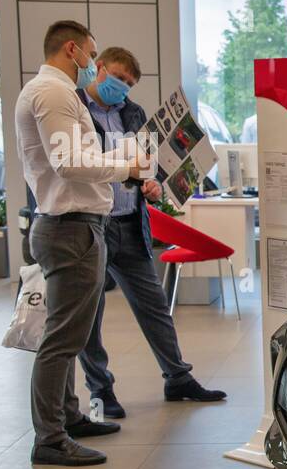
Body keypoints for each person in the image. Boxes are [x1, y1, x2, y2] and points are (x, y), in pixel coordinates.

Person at [15, 21, 150, 466]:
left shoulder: (58, 93)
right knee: (61, 340)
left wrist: (126, 158)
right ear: (72, 49)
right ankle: (50, 438)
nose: (93, 64)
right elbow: (69, 164)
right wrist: (126, 170)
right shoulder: (52, 93)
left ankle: (68, 417)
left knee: (69, 337)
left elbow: (82, 158)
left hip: (77, 225)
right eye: (91, 54)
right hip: (69, 227)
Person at [77, 47, 225, 417]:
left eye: (128, 83)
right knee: (90, 315)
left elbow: (147, 166)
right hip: (92, 226)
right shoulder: (75, 111)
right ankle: (101, 390)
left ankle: (177, 377)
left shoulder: (133, 113)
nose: (122, 87)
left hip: (129, 223)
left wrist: (154, 183)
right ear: (99, 68)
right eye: (118, 78)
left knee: (155, 307)